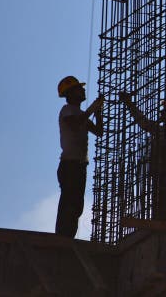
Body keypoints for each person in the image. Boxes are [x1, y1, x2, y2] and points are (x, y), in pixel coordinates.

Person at [119, 91, 166, 221]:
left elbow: (144, 123)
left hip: (165, 183)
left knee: (161, 216)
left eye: (165, 110)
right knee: (161, 215)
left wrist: (129, 103)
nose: (161, 112)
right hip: (165, 182)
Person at [55, 75, 104, 238]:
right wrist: (92, 109)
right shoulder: (67, 110)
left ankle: (68, 237)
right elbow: (75, 124)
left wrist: (98, 112)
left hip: (79, 166)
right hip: (70, 165)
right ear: (70, 94)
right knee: (69, 203)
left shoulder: (81, 114)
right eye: (78, 89)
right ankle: (62, 237)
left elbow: (99, 131)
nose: (83, 91)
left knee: (76, 205)